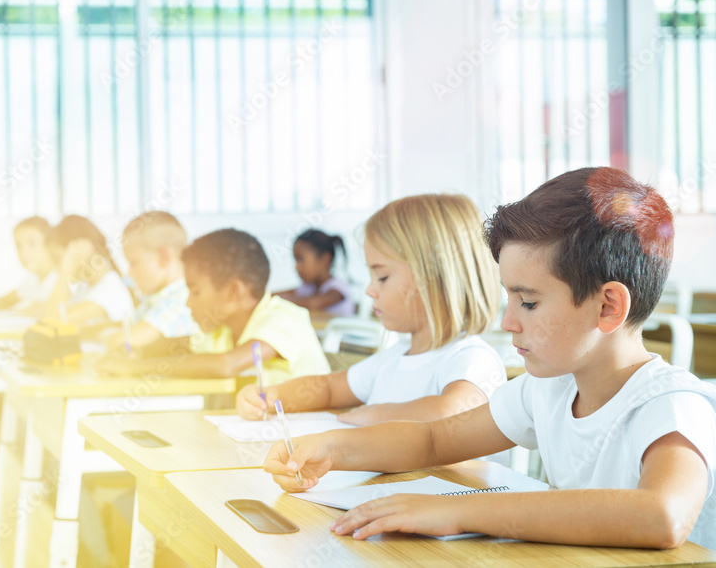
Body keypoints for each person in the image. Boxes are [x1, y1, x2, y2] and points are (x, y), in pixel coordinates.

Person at [264, 168, 716, 550]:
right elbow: (434, 442)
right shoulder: (549, 389)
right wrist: (331, 449)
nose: (508, 322)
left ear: (608, 307)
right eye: (509, 298)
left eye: (529, 302)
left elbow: (663, 515)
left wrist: (459, 510)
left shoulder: (671, 404)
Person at [237, 195, 504, 425]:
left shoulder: (472, 359)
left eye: (383, 277)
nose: (369, 290)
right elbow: (329, 388)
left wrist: (376, 415)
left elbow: (452, 413)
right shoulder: (393, 358)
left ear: (436, 279)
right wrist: (272, 396)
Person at [96, 228, 330, 381]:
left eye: (195, 291)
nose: (188, 303)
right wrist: (138, 353)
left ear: (233, 291)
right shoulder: (222, 331)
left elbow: (225, 365)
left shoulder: (284, 319)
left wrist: (136, 369)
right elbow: (180, 349)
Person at [100, 211, 198, 352]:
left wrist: (106, 336)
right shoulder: (156, 299)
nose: (129, 273)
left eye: (133, 263)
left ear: (164, 256)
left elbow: (124, 340)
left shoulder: (182, 300)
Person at [43, 215, 135, 325]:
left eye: (58, 259)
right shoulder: (86, 288)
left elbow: (51, 322)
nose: (56, 268)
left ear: (82, 249)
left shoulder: (109, 291)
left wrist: (66, 273)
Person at [0, 216, 57, 316]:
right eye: (18, 246)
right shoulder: (33, 279)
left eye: (32, 243)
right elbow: (7, 300)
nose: (24, 253)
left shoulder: (61, 277)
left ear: (50, 243)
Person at [275, 229, 356, 316]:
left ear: (325, 259)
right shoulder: (308, 288)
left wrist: (278, 300)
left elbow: (314, 304)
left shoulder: (338, 288)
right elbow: (281, 293)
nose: (296, 267)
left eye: (301, 259)